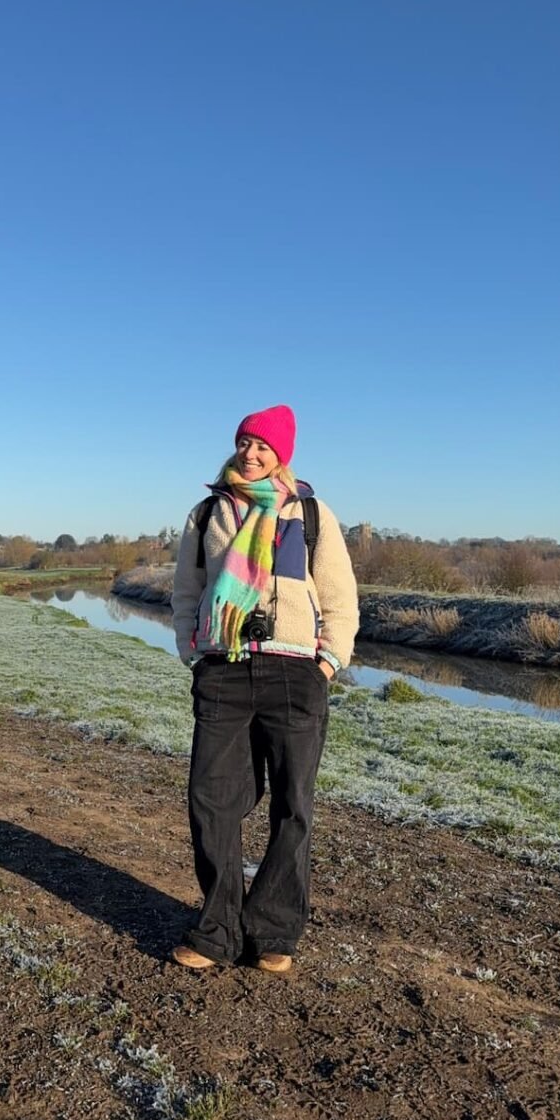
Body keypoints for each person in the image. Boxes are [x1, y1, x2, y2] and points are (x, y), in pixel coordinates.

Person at [170, 405, 358, 975]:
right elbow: (185, 589)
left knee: (292, 806)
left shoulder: (312, 514)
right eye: (245, 442)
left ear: (283, 455)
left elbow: (339, 598)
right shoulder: (208, 513)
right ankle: (219, 930)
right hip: (225, 668)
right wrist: (192, 650)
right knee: (211, 800)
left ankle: (274, 929)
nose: (251, 453)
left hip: (295, 673)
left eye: (263, 446)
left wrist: (328, 661)